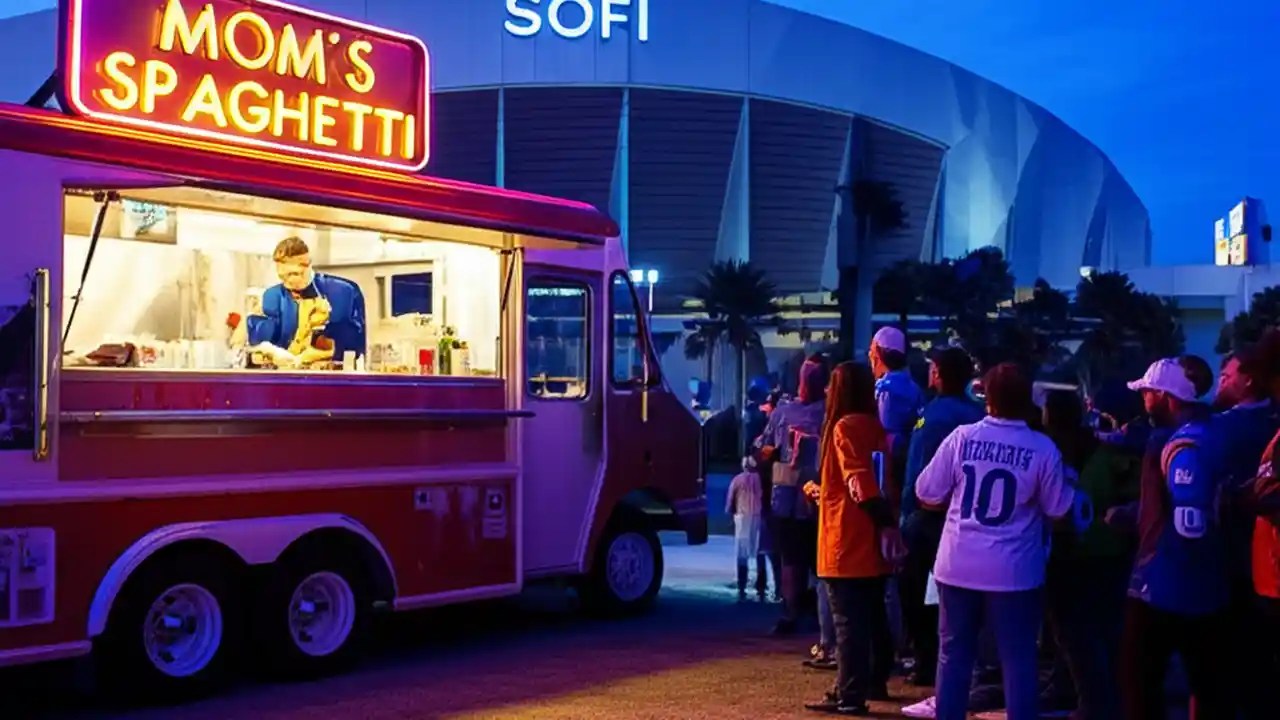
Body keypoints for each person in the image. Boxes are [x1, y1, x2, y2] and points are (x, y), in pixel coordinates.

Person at [915, 362, 1076, 720]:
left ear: (986, 397)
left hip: (958, 563)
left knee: (953, 656)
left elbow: (926, 491)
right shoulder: (1041, 447)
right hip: (1014, 571)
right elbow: (1059, 508)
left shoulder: (963, 438)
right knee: (1018, 659)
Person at [1110, 358, 1234, 720]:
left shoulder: (1185, 445)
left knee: (1139, 683)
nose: (1144, 400)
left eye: (1147, 393)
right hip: (1209, 586)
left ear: (1165, 396)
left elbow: (1189, 522)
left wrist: (1160, 563)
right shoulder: (1212, 431)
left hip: (1165, 585)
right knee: (1207, 687)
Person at [804, 362, 906, 716]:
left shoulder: (842, 427)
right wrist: (886, 522)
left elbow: (857, 480)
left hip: (845, 539)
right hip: (872, 540)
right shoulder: (873, 426)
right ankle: (874, 680)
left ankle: (849, 694)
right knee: (873, 616)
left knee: (848, 622)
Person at [899, 346, 982, 687]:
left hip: (929, 517)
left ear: (938, 374)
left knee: (915, 590)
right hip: (967, 518)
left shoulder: (934, 416)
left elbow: (919, 472)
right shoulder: (977, 414)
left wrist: (907, 512)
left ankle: (926, 660)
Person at [1211, 345, 1279, 719]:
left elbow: (1264, 494)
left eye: (1228, 376)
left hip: (1251, 563)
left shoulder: (1225, 427)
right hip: (1256, 560)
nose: (1222, 383)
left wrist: (1241, 496)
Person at [755, 354, 829, 635]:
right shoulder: (784, 412)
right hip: (789, 500)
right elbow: (763, 448)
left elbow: (763, 448)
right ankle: (793, 611)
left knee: (810, 560)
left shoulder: (828, 412)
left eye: (813, 376)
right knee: (793, 559)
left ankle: (810, 614)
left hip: (815, 500)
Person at [244, 237, 367, 367]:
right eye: (282, 277)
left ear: (308, 265)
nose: (288, 283)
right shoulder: (272, 296)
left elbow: (355, 348)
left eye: (293, 274)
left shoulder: (344, 293)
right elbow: (255, 349)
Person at [727, 455, 766, 601]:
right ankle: (761, 585)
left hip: (742, 518)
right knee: (759, 551)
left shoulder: (737, 480)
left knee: (742, 553)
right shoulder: (760, 480)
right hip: (758, 517)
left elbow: (730, 500)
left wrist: (730, 515)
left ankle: (742, 584)